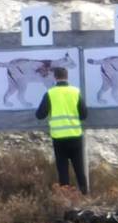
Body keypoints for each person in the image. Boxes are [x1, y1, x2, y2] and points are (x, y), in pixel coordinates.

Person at [34, 66, 88, 194]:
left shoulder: (50, 93)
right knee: (80, 170)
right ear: (67, 77)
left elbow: (40, 115)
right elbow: (84, 115)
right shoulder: (75, 92)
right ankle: (85, 195)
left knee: (63, 170)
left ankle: (66, 199)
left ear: (55, 77)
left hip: (59, 138)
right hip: (75, 136)